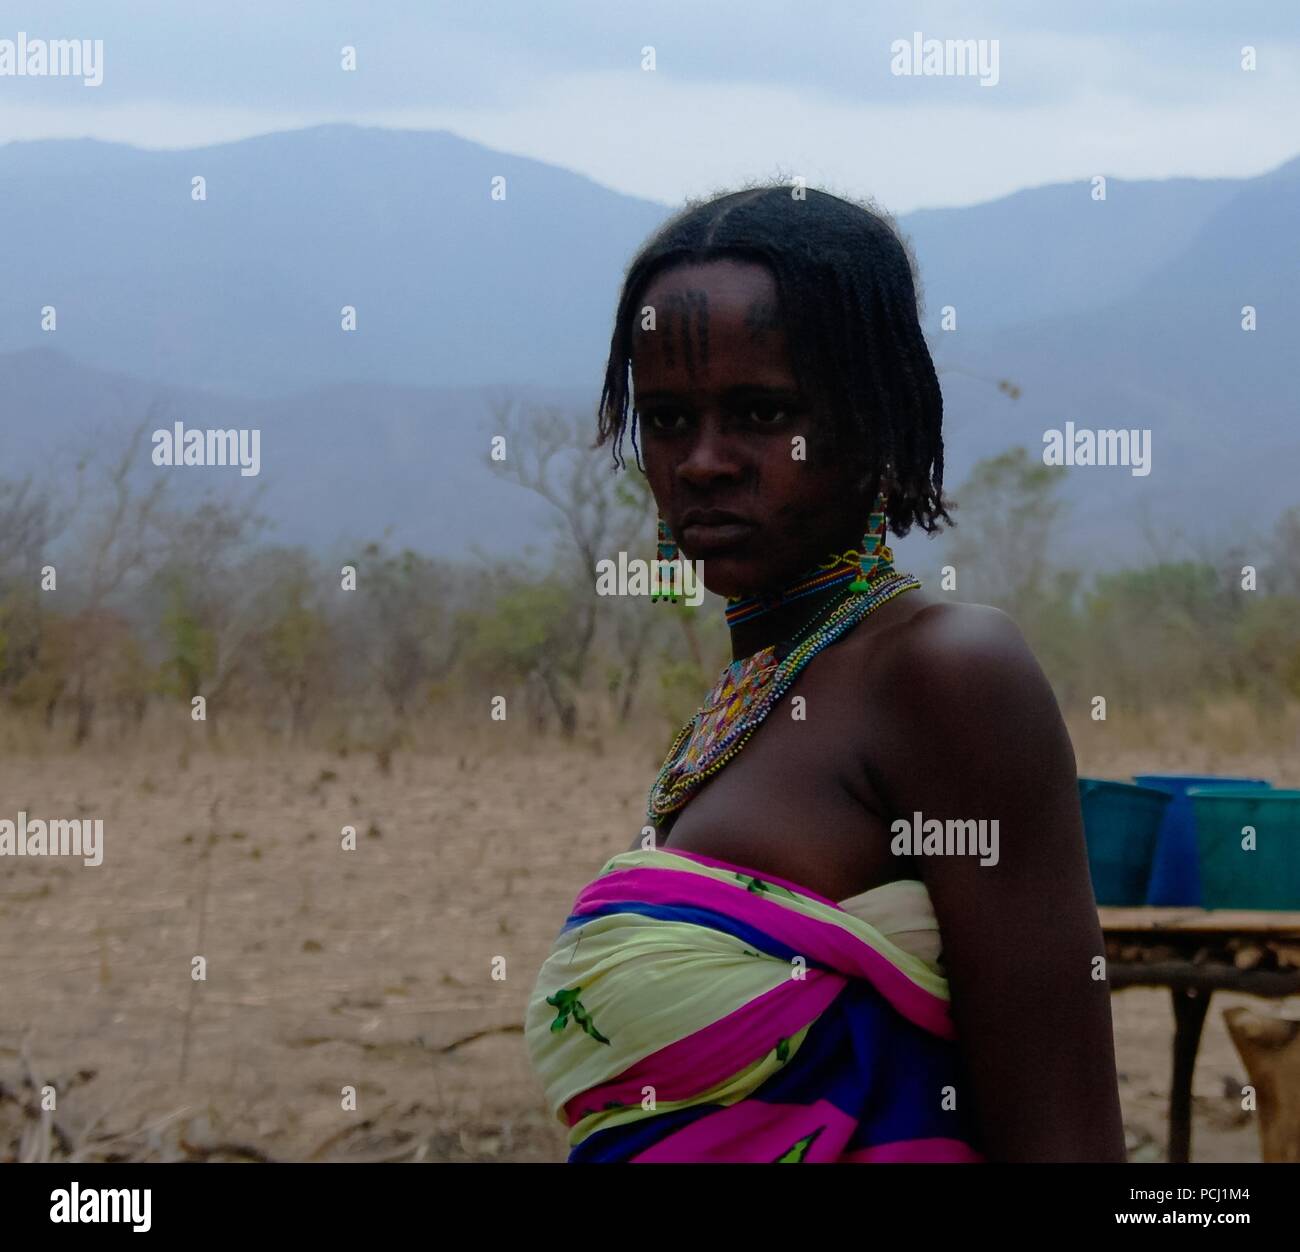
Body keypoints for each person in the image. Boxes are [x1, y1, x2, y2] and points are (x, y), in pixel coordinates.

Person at [525, 185, 1126, 1163]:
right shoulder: (751, 697)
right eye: (669, 419)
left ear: (876, 416)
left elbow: (1065, 1139)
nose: (704, 461)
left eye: (761, 413)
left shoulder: (945, 675)